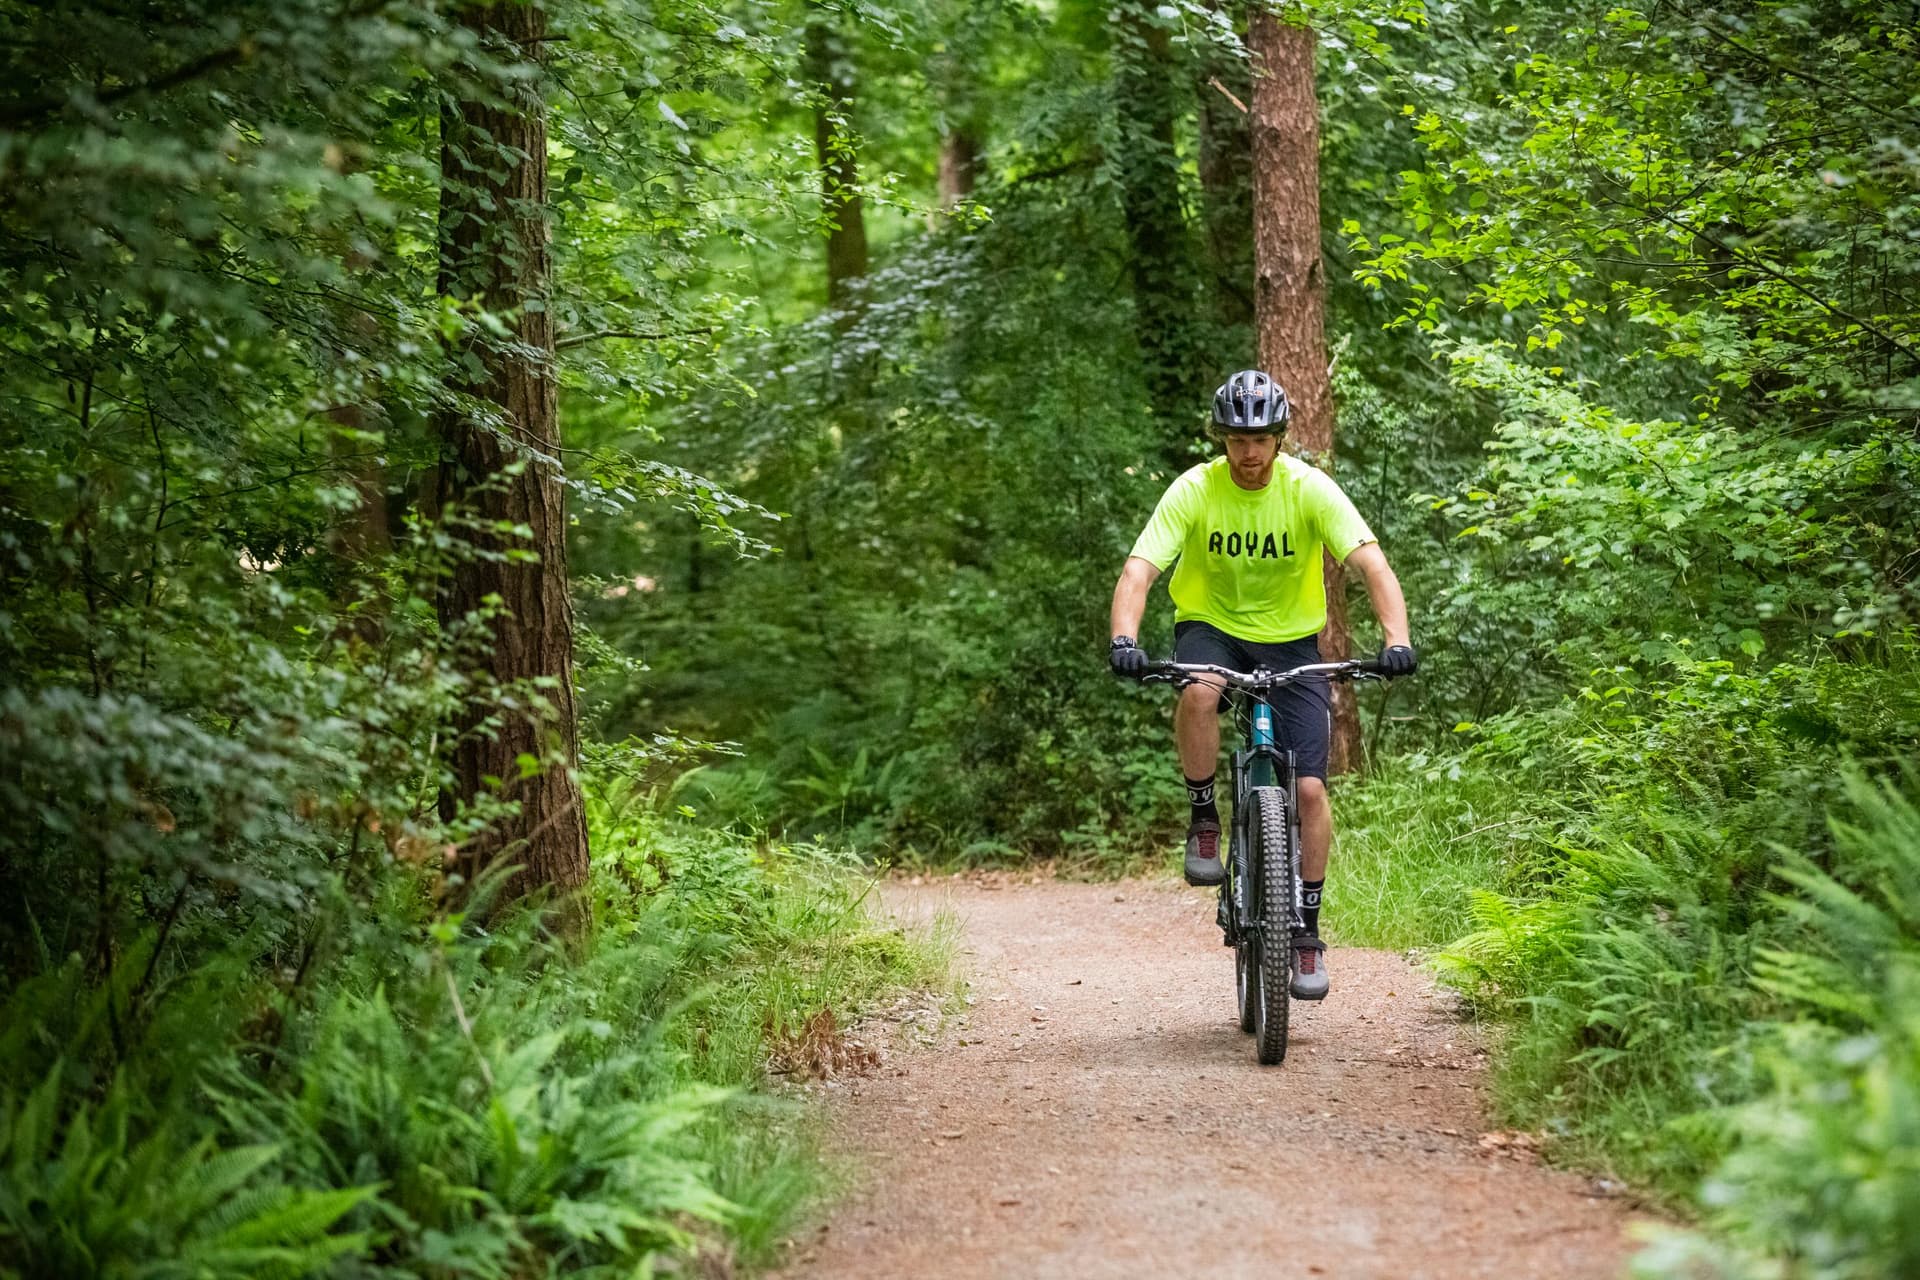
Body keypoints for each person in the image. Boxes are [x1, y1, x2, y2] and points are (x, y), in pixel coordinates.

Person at [1106, 369, 1416, 1000]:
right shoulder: (1195, 489)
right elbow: (1139, 571)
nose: (1248, 452)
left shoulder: (1309, 490)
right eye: (1236, 439)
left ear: (1280, 438)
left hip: (1293, 641)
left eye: (1261, 438)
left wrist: (1396, 640)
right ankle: (1203, 818)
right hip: (1211, 629)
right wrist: (1124, 641)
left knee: (1307, 790)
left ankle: (1305, 931)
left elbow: (1371, 564)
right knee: (1198, 690)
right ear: (1221, 439)